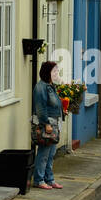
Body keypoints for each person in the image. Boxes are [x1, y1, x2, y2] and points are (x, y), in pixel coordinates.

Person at [32, 60, 64, 190]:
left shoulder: (50, 86)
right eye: (54, 71)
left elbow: (53, 103)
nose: (56, 73)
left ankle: (49, 179)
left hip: (54, 122)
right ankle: (39, 180)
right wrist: (46, 124)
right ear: (47, 73)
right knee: (44, 153)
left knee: (51, 154)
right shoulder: (41, 87)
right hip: (47, 123)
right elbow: (41, 107)